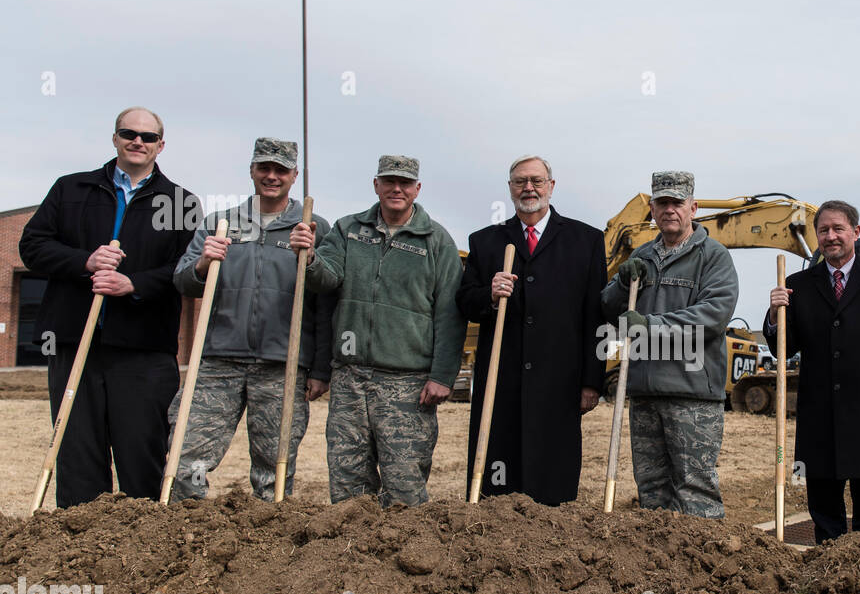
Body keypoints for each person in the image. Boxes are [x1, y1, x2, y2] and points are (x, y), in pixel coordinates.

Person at [20, 107, 202, 507]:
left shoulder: (180, 203)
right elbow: (32, 246)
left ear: (161, 145)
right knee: (77, 450)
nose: (138, 141)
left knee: (142, 451)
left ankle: (144, 550)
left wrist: (132, 283)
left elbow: (185, 270)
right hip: (73, 342)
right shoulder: (71, 189)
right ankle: (80, 548)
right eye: (129, 133)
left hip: (144, 349)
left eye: (148, 137)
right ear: (115, 138)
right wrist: (84, 261)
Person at [290, 155, 466, 507]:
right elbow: (326, 278)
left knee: (404, 487)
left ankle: (407, 557)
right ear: (376, 185)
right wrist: (309, 258)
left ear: (417, 189)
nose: (396, 188)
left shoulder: (437, 241)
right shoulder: (348, 230)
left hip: (407, 384)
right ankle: (353, 560)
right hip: (350, 379)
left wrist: (442, 376)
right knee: (348, 484)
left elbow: (450, 314)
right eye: (389, 181)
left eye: (404, 183)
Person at [169, 137, 335, 500]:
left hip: (282, 366)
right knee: (187, 457)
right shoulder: (221, 222)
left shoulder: (314, 228)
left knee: (272, 469)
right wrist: (202, 263)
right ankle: (188, 534)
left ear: (294, 175)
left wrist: (321, 369)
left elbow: (327, 297)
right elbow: (182, 280)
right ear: (252, 170)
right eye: (264, 168)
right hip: (217, 361)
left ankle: (267, 547)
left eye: (281, 170)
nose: (271, 176)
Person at [765, 200, 860, 543]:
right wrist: (775, 316)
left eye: (838, 229)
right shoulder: (797, 284)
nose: (831, 236)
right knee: (825, 516)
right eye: (824, 230)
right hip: (819, 419)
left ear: (856, 233)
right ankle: (825, 578)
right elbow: (784, 349)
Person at [456, 155, 606, 504]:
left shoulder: (586, 241)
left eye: (537, 181)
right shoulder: (485, 242)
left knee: (552, 475)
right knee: (498, 474)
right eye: (520, 181)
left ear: (551, 186)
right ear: (509, 189)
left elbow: (595, 317)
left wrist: (591, 381)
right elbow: (465, 302)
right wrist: (490, 296)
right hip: (502, 381)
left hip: (559, 383)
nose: (529, 188)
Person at [600, 170, 739, 518]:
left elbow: (713, 315)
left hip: (691, 394)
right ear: (652, 208)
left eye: (677, 203)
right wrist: (621, 281)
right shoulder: (642, 256)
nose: (669, 210)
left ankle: (703, 569)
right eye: (662, 203)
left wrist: (649, 326)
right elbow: (607, 307)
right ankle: (660, 571)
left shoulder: (713, 257)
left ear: (693, 207)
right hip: (645, 392)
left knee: (695, 491)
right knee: (651, 493)